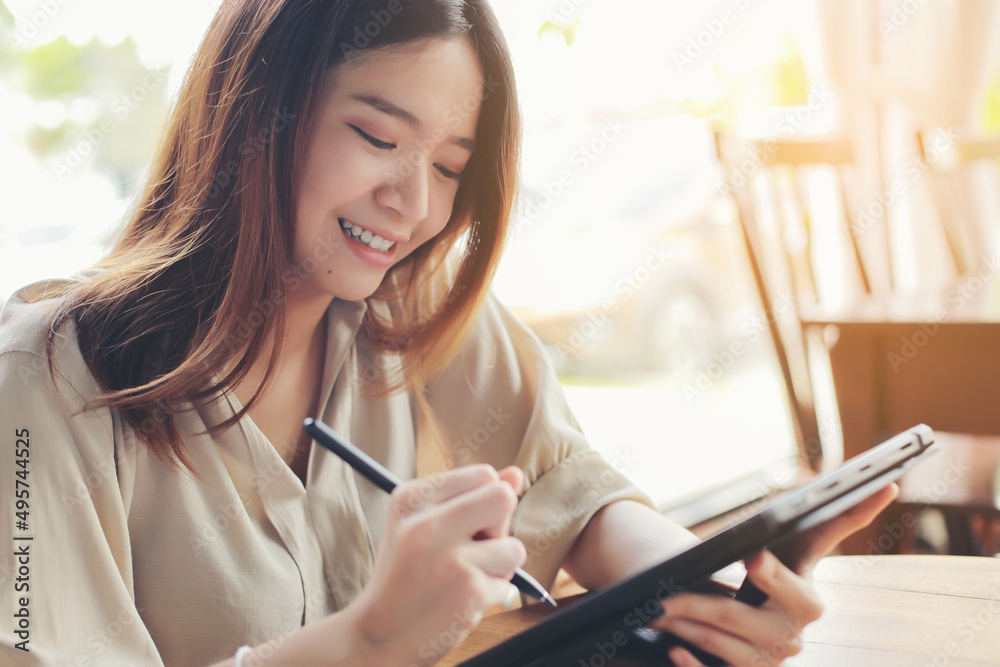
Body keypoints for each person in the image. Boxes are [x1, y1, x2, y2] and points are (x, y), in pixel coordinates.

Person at [0, 1, 897, 665]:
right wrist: (373, 636)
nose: (414, 204)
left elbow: (574, 492)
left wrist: (707, 587)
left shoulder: (411, 317)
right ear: (253, 109)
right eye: (375, 135)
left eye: (450, 167)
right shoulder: (44, 379)